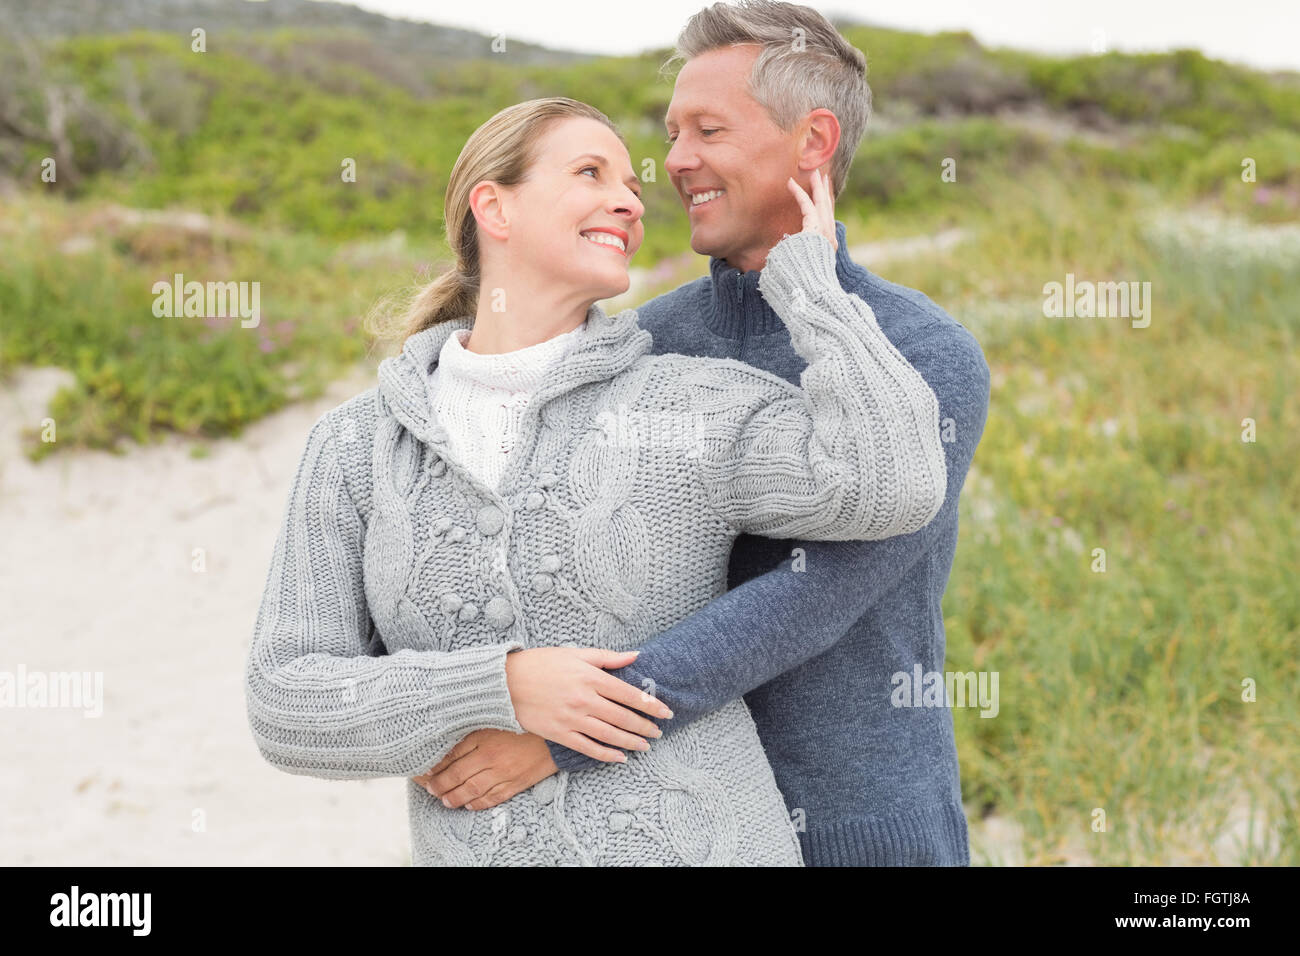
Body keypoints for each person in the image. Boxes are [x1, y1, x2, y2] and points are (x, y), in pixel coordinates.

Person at [243, 94, 947, 866]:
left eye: (633, 188)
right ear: (494, 207)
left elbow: (895, 482)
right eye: (590, 172)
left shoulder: (689, 402)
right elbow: (287, 701)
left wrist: (813, 285)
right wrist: (504, 685)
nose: (629, 200)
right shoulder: (355, 445)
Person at [416, 1, 991, 867]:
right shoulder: (643, 340)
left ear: (813, 142)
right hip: (671, 824)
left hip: (859, 822)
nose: (675, 161)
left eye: (708, 130)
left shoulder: (922, 356)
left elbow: (811, 598)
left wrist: (562, 736)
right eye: (672, 131)